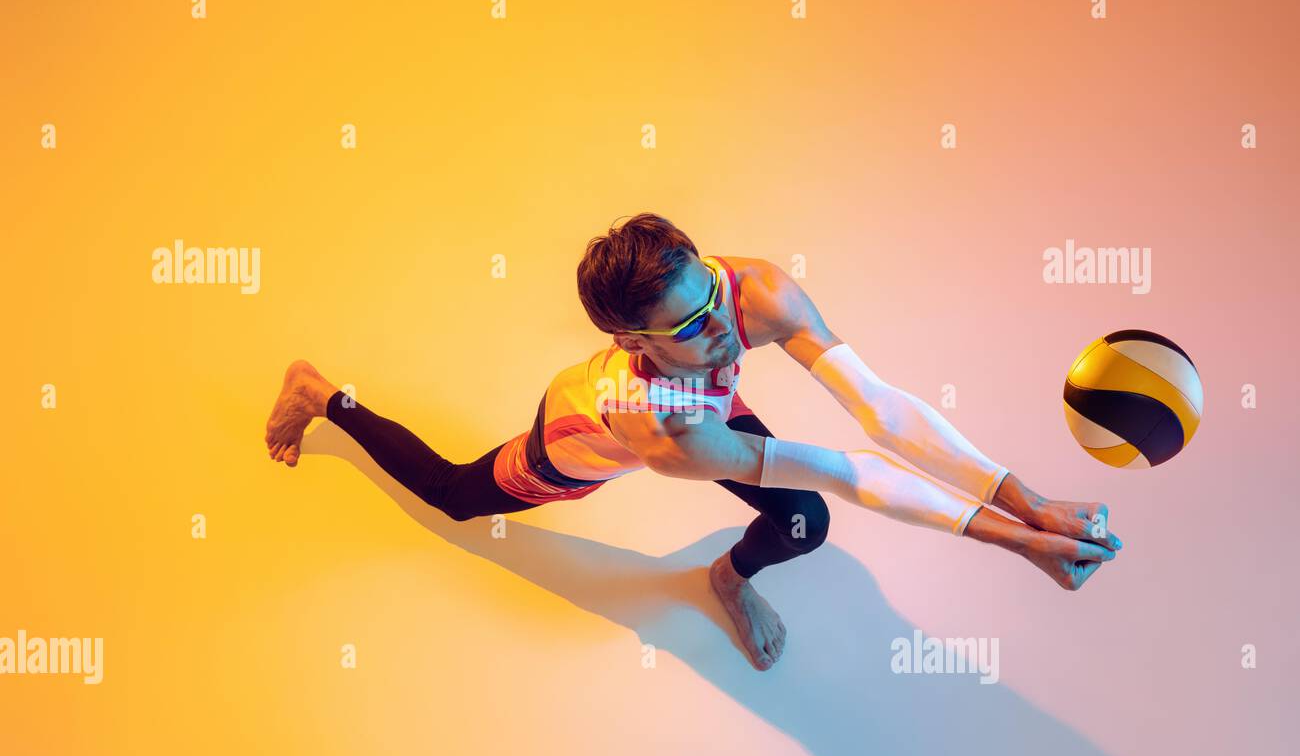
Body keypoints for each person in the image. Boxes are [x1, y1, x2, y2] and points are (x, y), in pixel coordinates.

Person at [265, 213, 1122, 670]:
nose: (725, 325)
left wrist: (1034, 503)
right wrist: (1021, 544)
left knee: (799, 526)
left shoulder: (752, 290)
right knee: (456, 495)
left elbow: (883, 413)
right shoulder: (663, 425)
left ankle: (726, 577)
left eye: (712, 290)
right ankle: (323, 395)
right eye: (692, 322)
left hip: (699, 404)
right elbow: (849, 471)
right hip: (588, 436)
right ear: (638, 342)